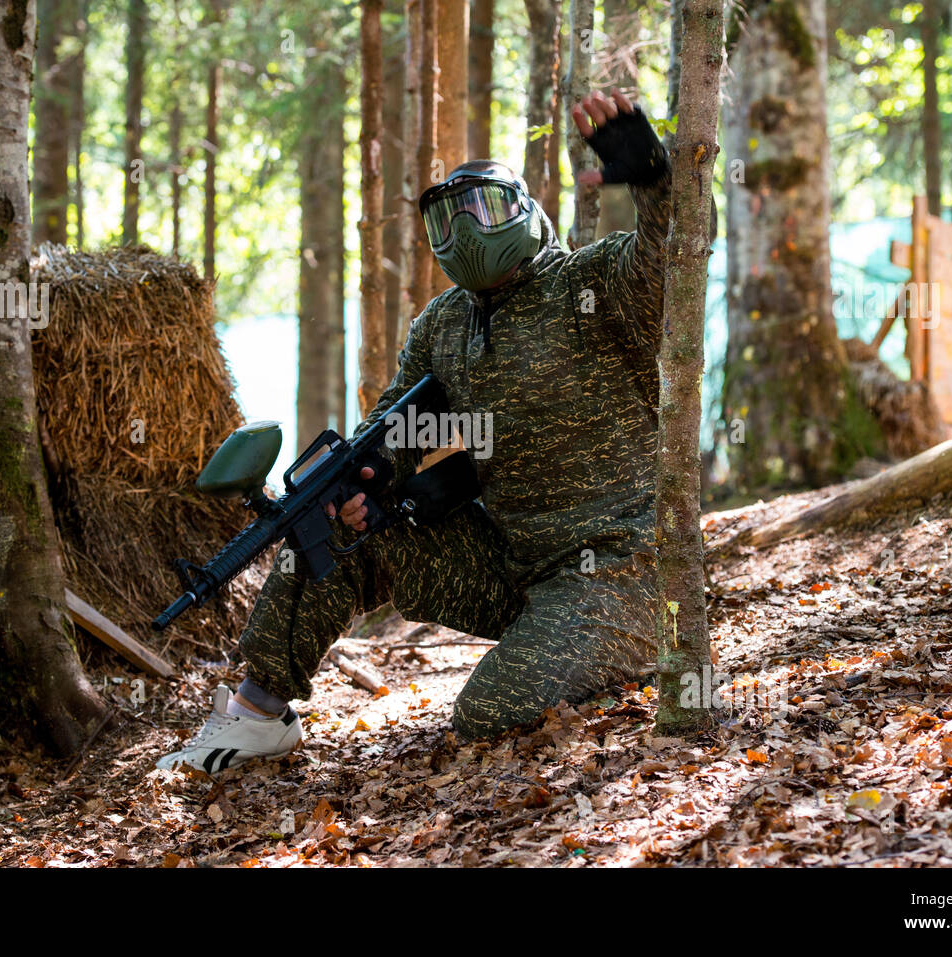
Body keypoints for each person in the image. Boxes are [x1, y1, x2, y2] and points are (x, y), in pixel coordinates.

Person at [157, 90, 672, 775]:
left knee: (488, 713)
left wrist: (654, 180)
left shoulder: (592, 282)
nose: (463, 233)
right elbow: (392, 430)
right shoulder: (444, 325)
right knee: (325, 522)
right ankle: (256, 714)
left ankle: (617, 645)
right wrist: (367, 483)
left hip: (616, 568)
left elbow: (674, 255)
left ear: (525, 212)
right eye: (444, 221)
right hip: (509, 563)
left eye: (482, 209)